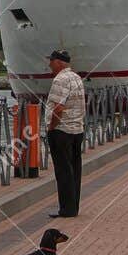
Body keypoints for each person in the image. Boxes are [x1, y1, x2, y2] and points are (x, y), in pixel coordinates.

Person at [44, 49, 85, 218]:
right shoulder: (76, 78)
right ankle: (73, 207)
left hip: (62, 131)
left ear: (59, 62)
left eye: (51, 61)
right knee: (75, 169)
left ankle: (66, 209)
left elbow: (58, 108)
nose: (49, 64)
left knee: (63, 171)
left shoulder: (60, 80)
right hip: (77, 130)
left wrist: (51, 127)